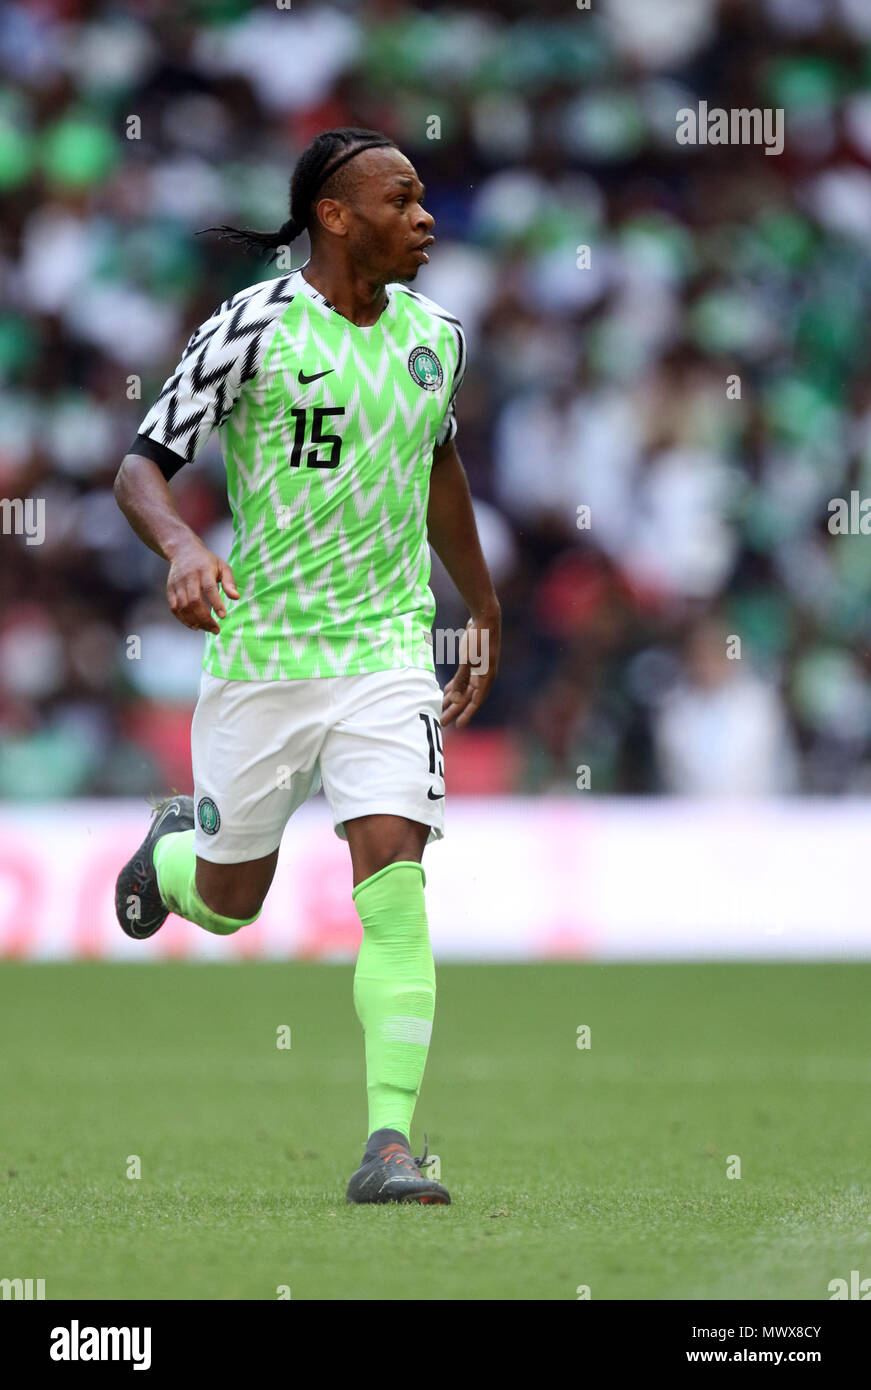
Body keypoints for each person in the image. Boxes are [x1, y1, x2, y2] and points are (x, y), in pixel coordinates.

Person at [112, 127, 501, 1206]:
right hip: (265, 652)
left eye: (426, 199)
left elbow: (439, 462)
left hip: (385, 649)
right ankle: (171, 857)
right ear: (336, 216)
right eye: (403, 199)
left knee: (395, 886)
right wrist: (185, 546)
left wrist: (484, 600)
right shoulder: (253, 326)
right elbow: (142, 467)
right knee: (233, 902)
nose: (426, 217)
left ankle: (387, 1145)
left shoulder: (436, 338)